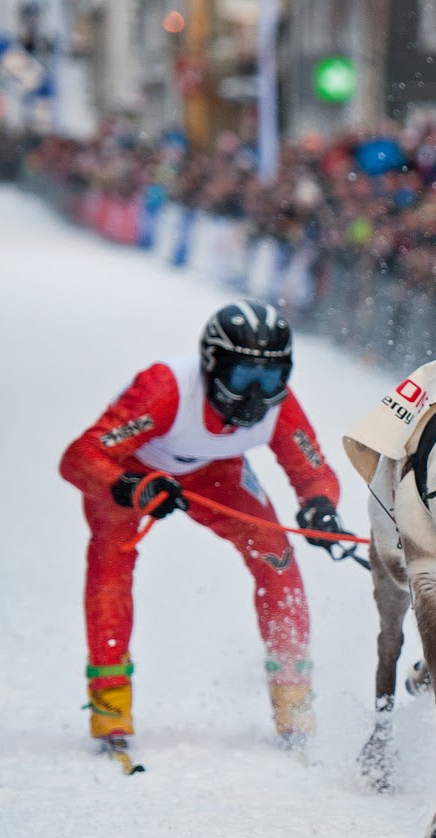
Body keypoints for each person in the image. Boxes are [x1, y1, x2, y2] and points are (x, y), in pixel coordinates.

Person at [59, 301, 348, 749]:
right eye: (242, 378)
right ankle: (110, 706)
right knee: (110, 565)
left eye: (269, 379)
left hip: (215, 470)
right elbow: (80, 457)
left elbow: (314, 471)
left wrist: (321, 506)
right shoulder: (165, 388)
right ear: (212, 367)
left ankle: (294, 702)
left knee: (277, 555)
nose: (256, 395)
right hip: (130, 469)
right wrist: (131, 487)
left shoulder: (280, 405)